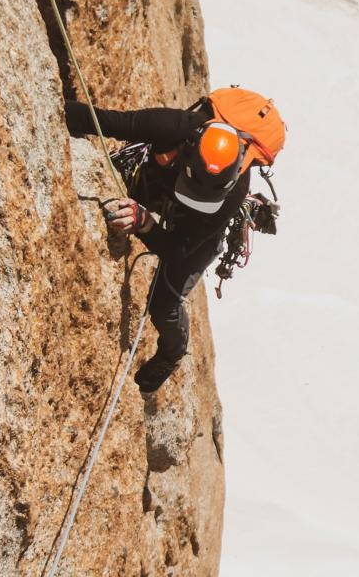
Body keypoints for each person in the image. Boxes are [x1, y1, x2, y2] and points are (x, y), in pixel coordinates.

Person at [66, 90, 283, 394]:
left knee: (163, 303)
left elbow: (178, 248)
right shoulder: (174, 127)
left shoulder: (231, 194)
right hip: (165, 175)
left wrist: (145, 224)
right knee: (144, 175)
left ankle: (172, 352)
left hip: (201, 220)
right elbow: (102, 121)